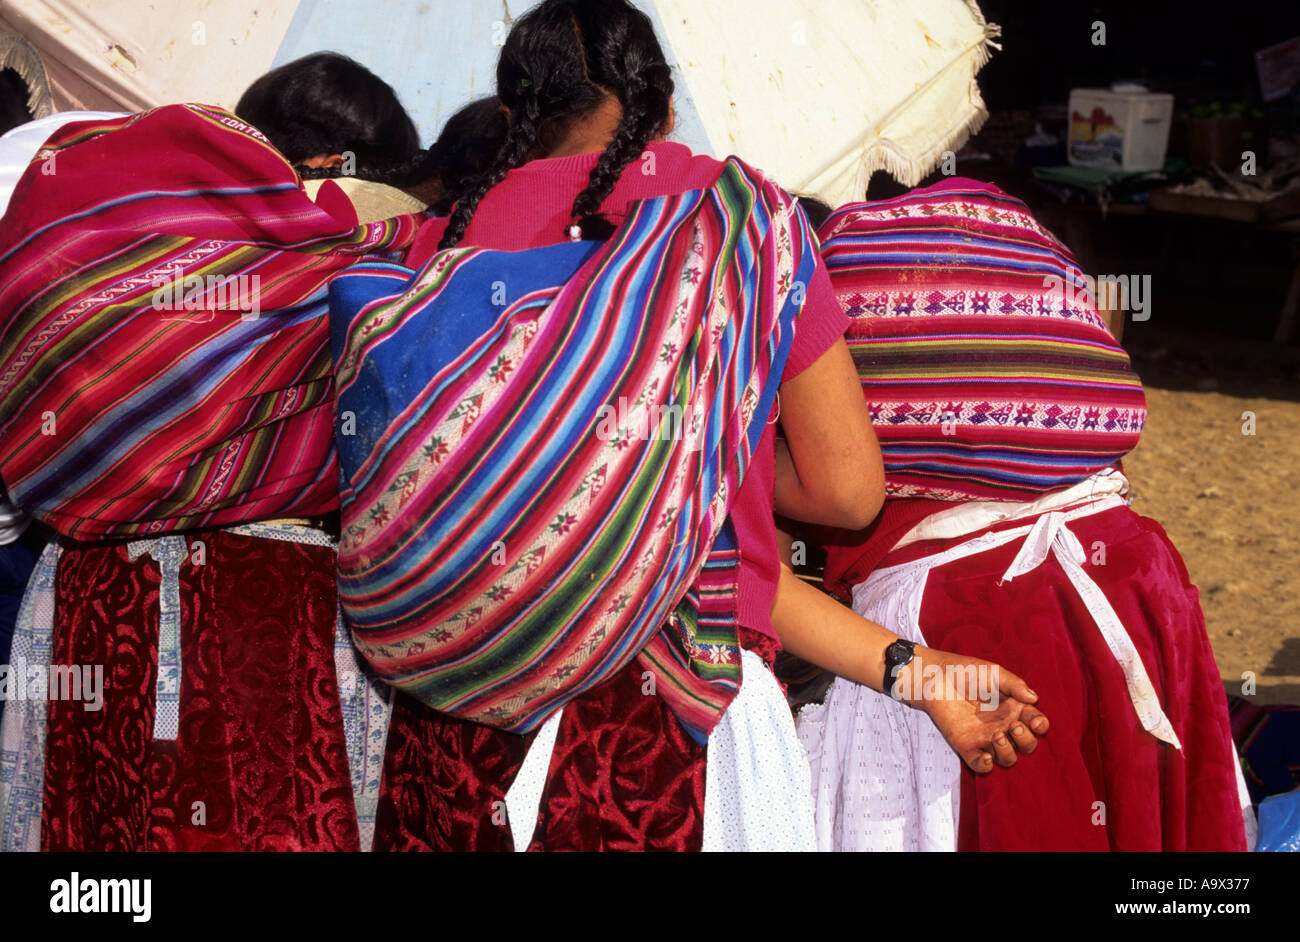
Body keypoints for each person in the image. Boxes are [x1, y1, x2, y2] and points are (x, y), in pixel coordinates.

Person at [340, 0, 1044, 853]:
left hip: (457, 731)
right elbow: (846, 493)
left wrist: (915, 668)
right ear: (665, 108)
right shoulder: (738, 228)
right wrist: (718, 441)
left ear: (507, 120)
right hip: (663, 740)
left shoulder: (424, 260)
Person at [0, 55, 441, 850]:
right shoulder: (374, 269)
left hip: (86, 602)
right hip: (270, 627)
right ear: (333, 169)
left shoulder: (106, 227)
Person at [793, 178, 1252, 851]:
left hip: (954, 634)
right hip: (1131, 584)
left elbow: (761, 574)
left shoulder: (792, 337)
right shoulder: (1139, 556)